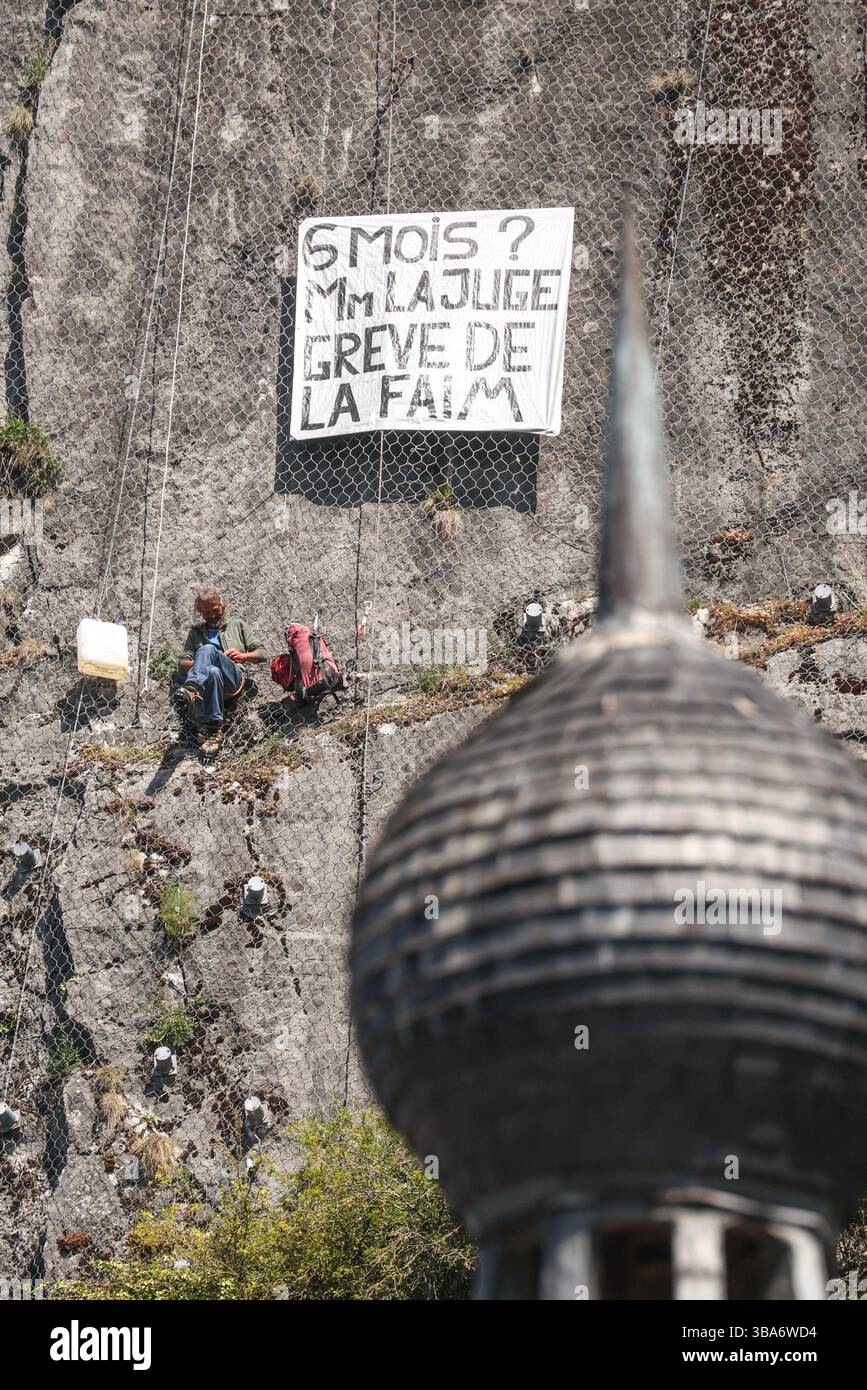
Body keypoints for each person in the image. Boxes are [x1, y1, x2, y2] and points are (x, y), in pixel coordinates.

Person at [175, 587, 265, 739]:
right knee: (212, 670)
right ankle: (213, 730)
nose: (211, 615)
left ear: (222, 606)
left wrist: (243, 656)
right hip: (208, 686)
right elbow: (182, 665)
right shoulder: (195, 633)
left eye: (215, 610)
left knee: (208, 649)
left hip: (232, 680)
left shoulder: (238, 625)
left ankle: (191, 689)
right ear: (200, 611)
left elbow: (263, 654)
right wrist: (203, 662)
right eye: (206, 612)